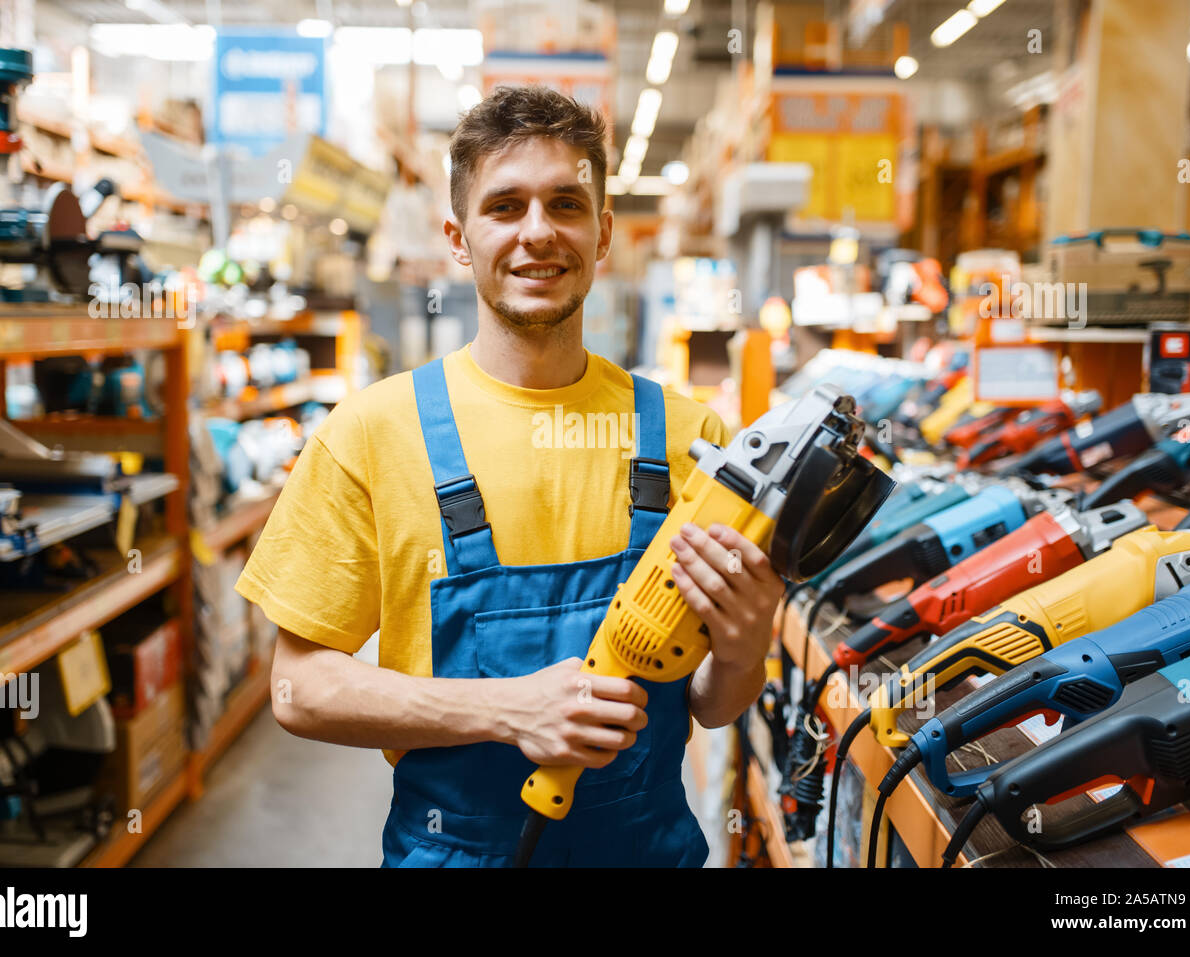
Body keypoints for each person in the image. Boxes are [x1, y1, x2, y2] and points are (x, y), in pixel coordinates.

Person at [235, 85, 784, 867]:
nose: (538, 232)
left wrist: (744, 646)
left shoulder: (694, 441)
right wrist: (507, 708)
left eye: (565, 203)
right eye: (506, 206)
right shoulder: (372, 433)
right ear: (460, 237)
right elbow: (296, 689)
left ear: (601, 234)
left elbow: (711, 705)